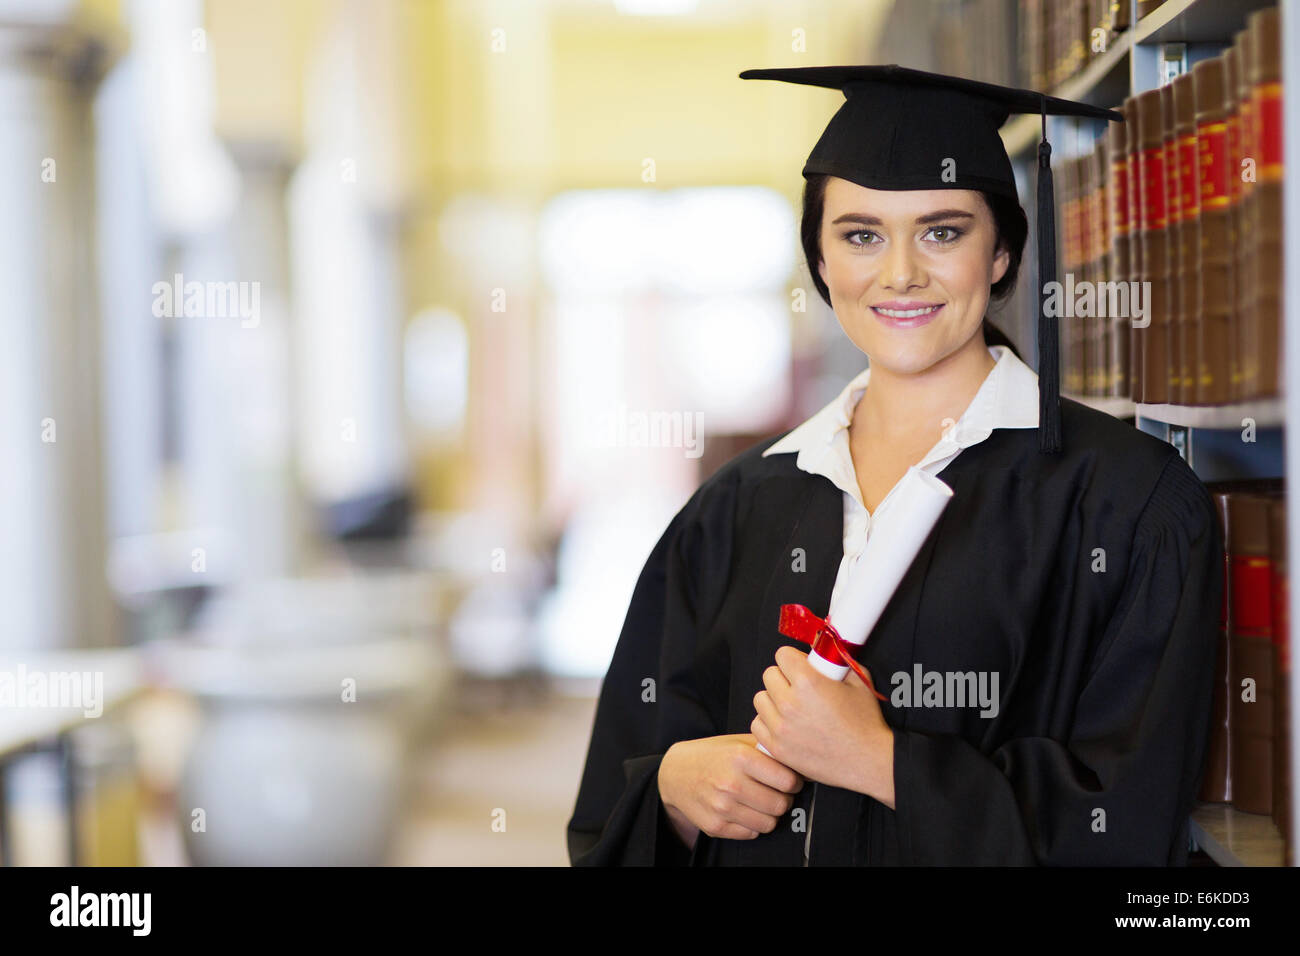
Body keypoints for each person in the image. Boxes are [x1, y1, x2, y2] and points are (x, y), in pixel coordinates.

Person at [566, 65, 1223, 866]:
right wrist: (672, 789)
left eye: (943, 231)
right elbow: (612, 804)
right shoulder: (733, 511)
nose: (900, 272)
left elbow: (1130, 825)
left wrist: (883, 764)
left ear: (1003, 251)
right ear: (820, 257)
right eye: (861, 234)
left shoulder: (1128, 504)